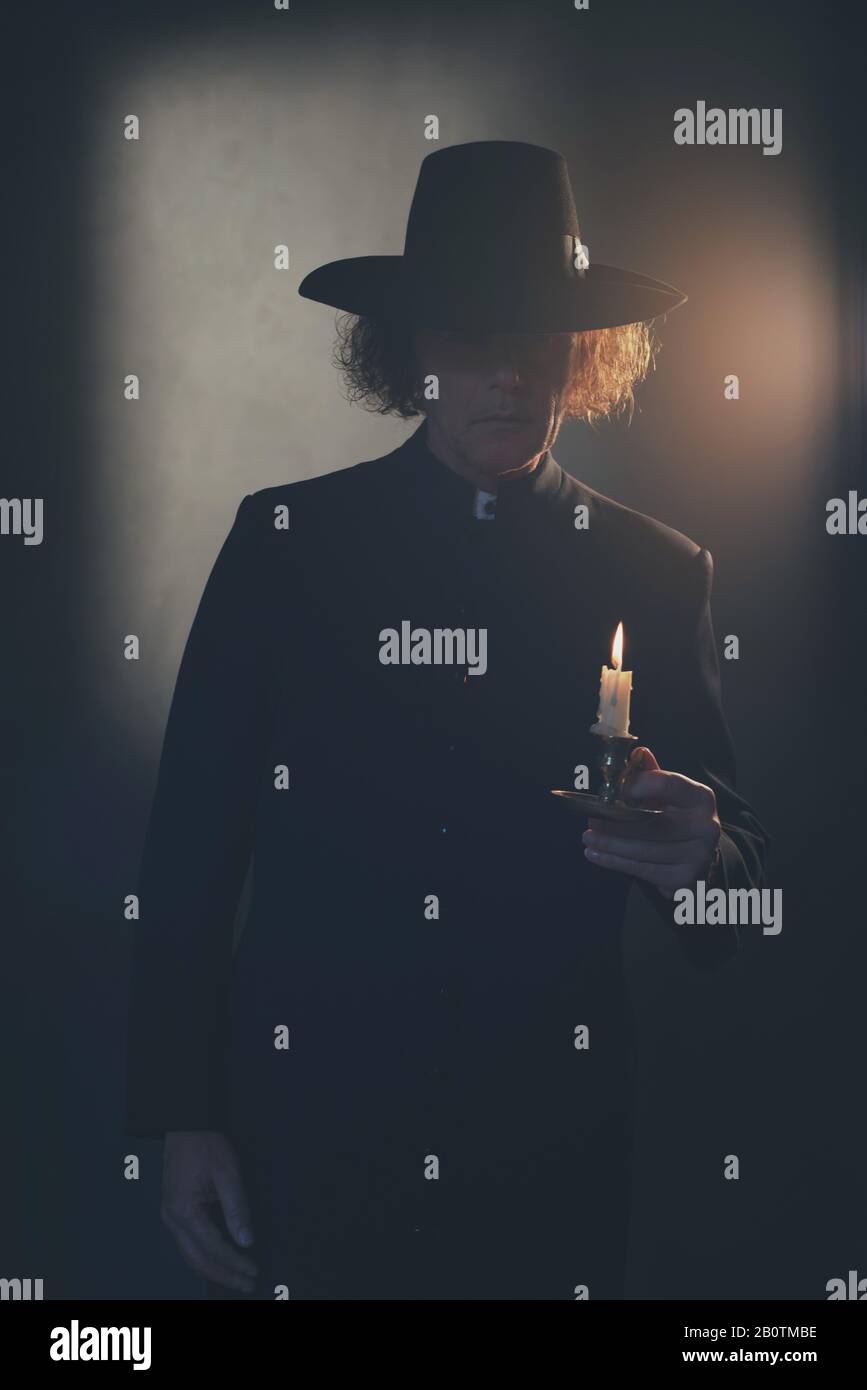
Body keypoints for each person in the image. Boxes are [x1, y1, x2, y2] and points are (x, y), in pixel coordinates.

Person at [123, 140, 768, 1300]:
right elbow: (187, 855)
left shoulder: (659, 571)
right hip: (311, 1141)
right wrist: (181, 1117)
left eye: (535, 335)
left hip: (552, 1156)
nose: (510, 376)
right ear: (409, 346)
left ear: (585, 351)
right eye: (471, 336)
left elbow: (737, 898)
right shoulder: (284, 547)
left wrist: (701, 862)